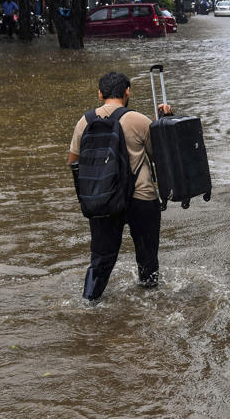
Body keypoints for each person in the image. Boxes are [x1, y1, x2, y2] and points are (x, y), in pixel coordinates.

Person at [67, 71, 173, 301]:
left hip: (102, 200)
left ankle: (89, 303)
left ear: (99, 93)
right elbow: (160, 157)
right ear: (127, 92)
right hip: (141, 198)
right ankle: (149, 303)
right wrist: (162, 123)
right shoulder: (138, 119)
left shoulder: (84, 121)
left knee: (101, 261)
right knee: (147, 259)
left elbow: (73, 162)